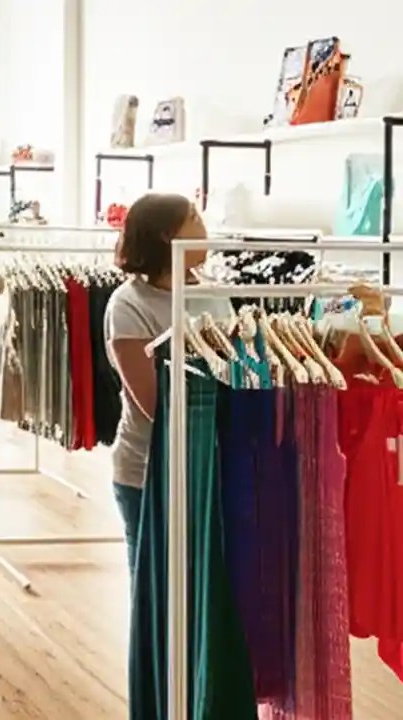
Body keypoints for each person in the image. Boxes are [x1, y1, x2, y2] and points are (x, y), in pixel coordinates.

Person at [104, 192, 228, 575]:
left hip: (210, 466)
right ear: (166, 235)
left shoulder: (214, 295)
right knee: (154, 589)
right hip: (148, 468)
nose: (203, 224)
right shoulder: (129, 304)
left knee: (203, 589)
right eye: (193, 216)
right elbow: (153, 401)